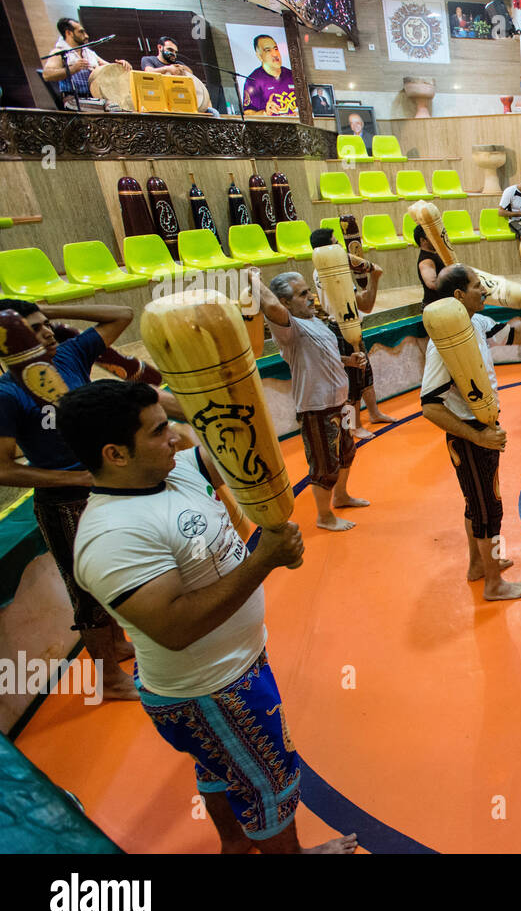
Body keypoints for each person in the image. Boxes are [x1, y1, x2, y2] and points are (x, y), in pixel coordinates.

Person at [61, 380, 357, 854]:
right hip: (208, 691)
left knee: (220, 769)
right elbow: (175, 629)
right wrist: (265, 557)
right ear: (115, 454)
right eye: (159, 431)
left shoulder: (171, 470)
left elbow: (235, 442)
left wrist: (181, 396)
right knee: (269, 784)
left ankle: (235, 846)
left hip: (233, 667)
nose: (175, 438)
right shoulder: (112, 537)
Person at [0, 299, 158, 702]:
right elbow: (2, 468)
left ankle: (118, 645)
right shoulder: (6, 393)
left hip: (104, 488)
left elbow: (122, 313)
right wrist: (73, 477)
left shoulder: (69, 353)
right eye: (34, 330)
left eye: (46, 325)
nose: (47, 332)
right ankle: (109, 680)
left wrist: (50, 306)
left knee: (115, 575)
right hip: (63, 502)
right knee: (86, 592)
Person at [420, 265, 521, 601]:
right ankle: (494, 584)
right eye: (478, 287)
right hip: (470, 437)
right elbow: (429, 406)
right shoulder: (443, 346)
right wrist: (478, 437)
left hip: (483, 430)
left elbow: (519, 336)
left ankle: (479, 567)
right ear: (458, 297)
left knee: (475, 507)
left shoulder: (476, 323)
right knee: (488, 511)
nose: (485, 291)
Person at [259, 272, 368, 532]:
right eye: (302, 294)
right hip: (317, 407)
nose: (310, 297)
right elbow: (270, 306)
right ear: (285, 302)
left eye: (309, 291)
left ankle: (341, 496)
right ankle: (324, 516)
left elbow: (325, 354)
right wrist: (253, 279)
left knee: (346, 453)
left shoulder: (314, 322)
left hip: (341, 402)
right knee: (324, 464)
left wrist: (348, 361)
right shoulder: (288, 328)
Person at [308, 229, 393, 440]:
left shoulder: (319, 269)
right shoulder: (335, 273)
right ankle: (354, 426)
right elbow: (366, 304)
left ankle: (374, 413)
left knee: (365, 373)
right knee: (353, 379)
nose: (341, 249)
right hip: (342, 328)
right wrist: (375, 278)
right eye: (336, 244)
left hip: (346, 325)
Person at [42, 18, 132, 105]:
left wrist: (121, 65)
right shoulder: (59, 53)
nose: (86, 36)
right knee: (110, 108)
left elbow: (109, 68)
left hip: (95, 99)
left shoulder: (89, 53)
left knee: (119, 106)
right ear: (68, 33)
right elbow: (47, 75)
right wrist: (73, 69)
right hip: (73, 100)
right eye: (81, 32)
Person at [242, 34, 297, 118]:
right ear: (259, 56)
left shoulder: (292, 75)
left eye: (276, 49)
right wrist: (265, 112)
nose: (275, 54)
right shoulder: (253, 80)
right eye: (268, 50)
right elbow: (248, 113)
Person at [414, 224, 449, 305]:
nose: (437, 238)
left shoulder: (435, 254)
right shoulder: (426, 261)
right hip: (434, 307)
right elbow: (432, 284)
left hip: (442, 305)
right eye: (433, 236)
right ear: (423, 240)